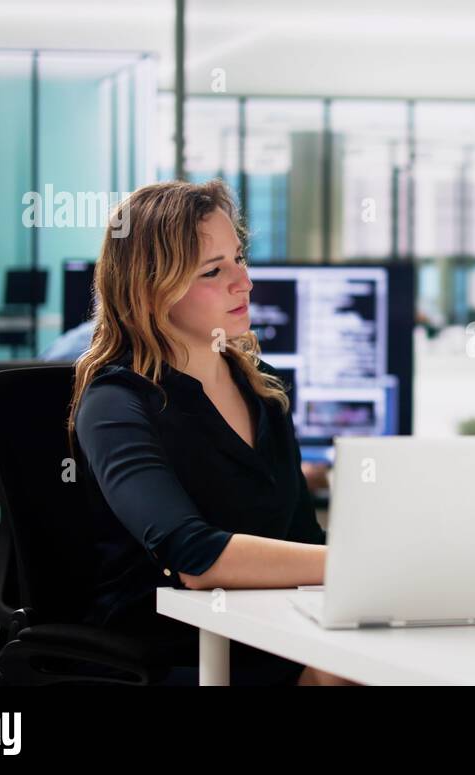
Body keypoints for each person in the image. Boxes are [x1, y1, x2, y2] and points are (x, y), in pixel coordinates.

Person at [68, 179, 353, 684]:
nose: (242, 282)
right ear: (152, 289)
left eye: (239, 258)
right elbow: (194, 558)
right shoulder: (116, 403)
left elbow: (302, 539)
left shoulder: (263, 396)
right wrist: (362, 566)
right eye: (213, 271)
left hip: (266, 635)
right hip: (165, 655)